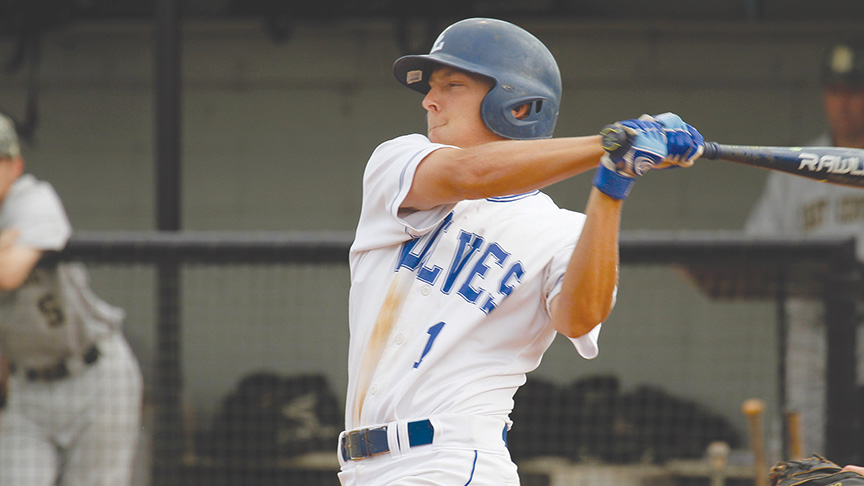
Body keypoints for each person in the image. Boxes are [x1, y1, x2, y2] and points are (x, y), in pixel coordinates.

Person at [338, 17, 703, 485]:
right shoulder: (398, 162)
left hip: (453, 461)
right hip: (364, 469)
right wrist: (609, 145)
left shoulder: (561, 230)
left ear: (518, 105)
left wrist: (613, 183)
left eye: (453, 85)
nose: (430, 100)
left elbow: (580, 318)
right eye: (432, 87)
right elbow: (469, 175)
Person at [0, 113, 144, 485]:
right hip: (28, 389)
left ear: (15, 166)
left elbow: (9, 272)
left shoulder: (32, 201)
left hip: (95, 376)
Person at [745, 40, 864, 458]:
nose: (844, 103)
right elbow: (755, 248)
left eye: (854, 91)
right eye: (836, 91)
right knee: (804, 457)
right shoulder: (797, 166)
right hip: (812, 334)